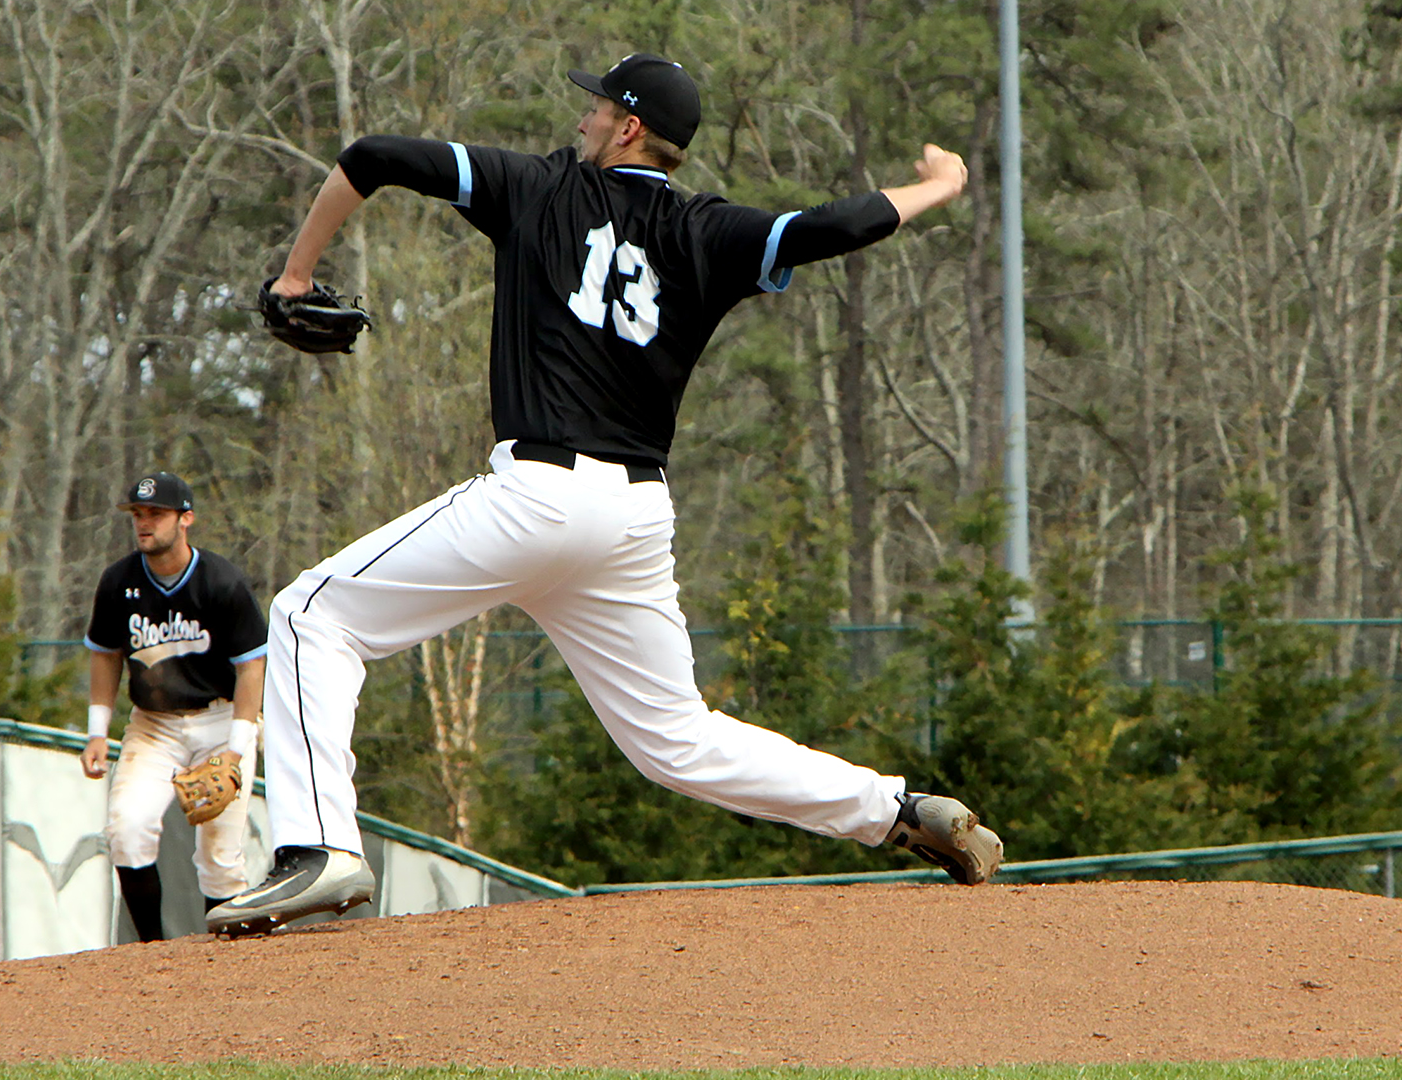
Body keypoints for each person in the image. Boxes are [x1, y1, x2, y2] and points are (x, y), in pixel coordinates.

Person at [209, 53, 1003, 938]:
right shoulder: (708, 230)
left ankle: (321, 850)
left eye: (595, 107)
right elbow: (834, 226)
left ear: (627, 125)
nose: (581, 118)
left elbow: (373, 154)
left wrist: (294, 275)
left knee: (311, 615)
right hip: (632, 518)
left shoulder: (535, 187)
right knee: (676, 739)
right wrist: (935, 185)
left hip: (534, 495)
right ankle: (897, 809)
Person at [82, 471, 269, 941]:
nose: (144, 523)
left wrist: (237, 748)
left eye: (156, 514)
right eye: (138, 514)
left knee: (221, 858)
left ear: (186, 519)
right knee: (127, 828)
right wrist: (97, 732)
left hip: (221, 719)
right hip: (153, 727)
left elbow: (252, 668)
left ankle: (227, 961)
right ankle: (152, 953)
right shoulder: (118, 582)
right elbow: (105, 655)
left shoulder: (222, 582)